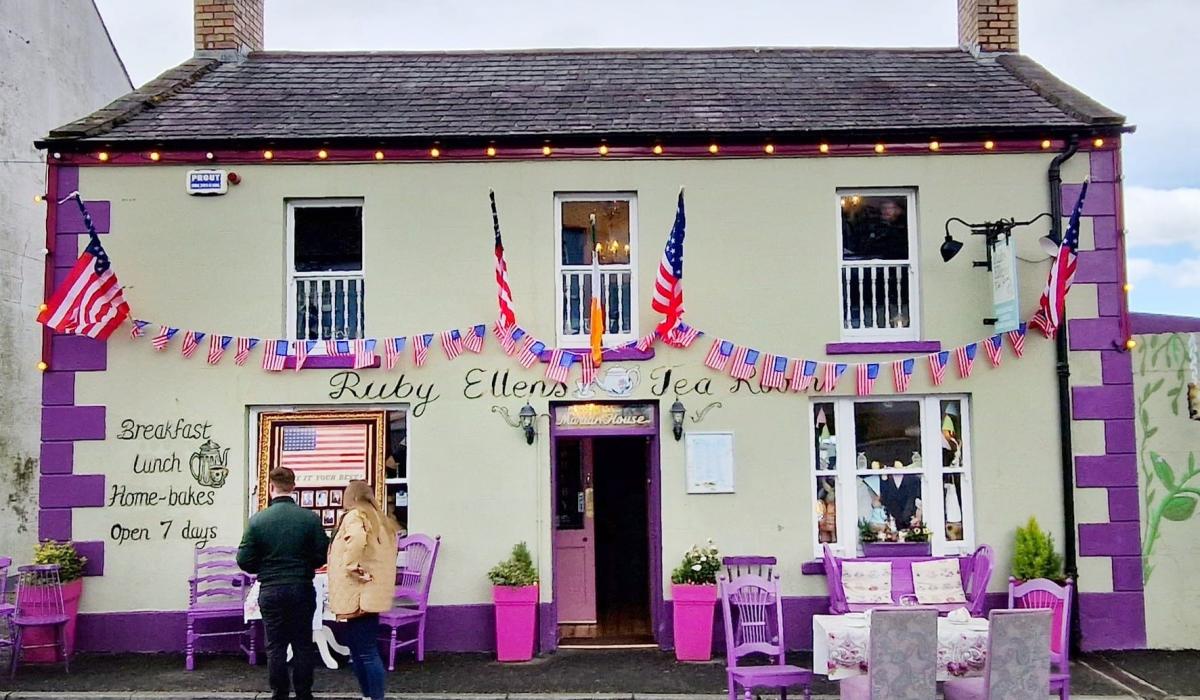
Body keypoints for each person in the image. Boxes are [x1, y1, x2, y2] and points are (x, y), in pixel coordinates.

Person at [237, 467, 329, 700]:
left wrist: (265, 568)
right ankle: (304, 693)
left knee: (276, 646)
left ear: (270, 488)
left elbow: (244, 559)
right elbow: (321, 557)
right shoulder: (309, 519)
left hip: (270, 587)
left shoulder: (258, 521)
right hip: (301, 587)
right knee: (302, 644)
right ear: (294, 487)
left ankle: (279, 693)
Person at [327, 480, 399, 700]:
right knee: (361, 649)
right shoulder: (382, 521)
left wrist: (350, 565)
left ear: (352, 497)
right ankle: (368, 696)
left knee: (364, 652)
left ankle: (373, 696)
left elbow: (357, 540)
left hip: (358, 593)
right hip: (372, 591)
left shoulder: (355, 516)